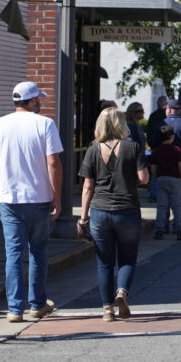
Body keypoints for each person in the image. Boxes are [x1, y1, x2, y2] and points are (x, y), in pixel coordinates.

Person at [0, 81, 63, 323]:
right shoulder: (45, 124)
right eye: (40, 99)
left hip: (9, 199)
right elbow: (53, 163)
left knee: (13, 254)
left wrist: (4, 160)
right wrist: (57, 196)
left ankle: (15, 309)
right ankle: (37, 304)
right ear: (33, 100)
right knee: (38, 252)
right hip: (39, 198)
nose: (41, 103)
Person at [78, 108, 149, 322]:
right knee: (127, 258)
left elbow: (87, 186)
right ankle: (122, 292)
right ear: (121, 124)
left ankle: (107, 309)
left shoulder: (92, 150)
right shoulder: (133, 147)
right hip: (127, 210)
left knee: (104, 263)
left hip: (99, 212)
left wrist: (83, 218)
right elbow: (143, 178)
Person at [150, 125, 181, 240]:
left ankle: (160, 230)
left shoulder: (156, 151)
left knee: (162, 206)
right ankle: (179, 230)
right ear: (171, 137)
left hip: (161, 179)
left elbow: (153, 168)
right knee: (177, 206)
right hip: (175, 179)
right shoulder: (176, 150)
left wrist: (156, 178)